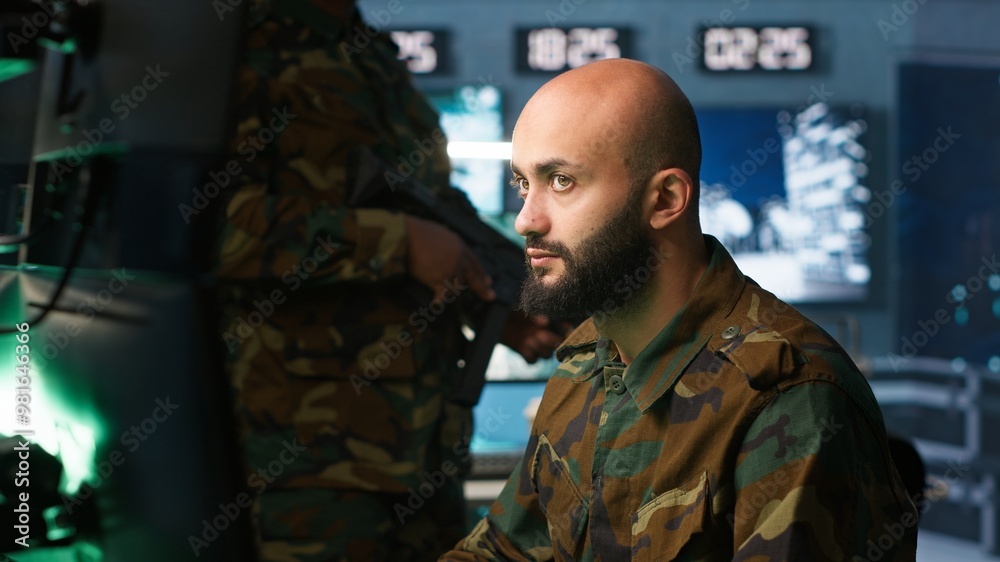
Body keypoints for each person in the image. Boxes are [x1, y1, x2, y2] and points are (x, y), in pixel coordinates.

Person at [440, 58, 918, 561]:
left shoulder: (790, 400)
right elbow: (501, 550)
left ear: (666, 199)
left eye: (561, 181)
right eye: (523, 183)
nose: (525, 220)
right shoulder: (583, 369)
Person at [211, 1, 563, 560]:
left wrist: (494, 302)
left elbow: (434, 213)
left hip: (427, 444)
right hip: (314, 456)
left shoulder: (370, 55)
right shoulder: (239, 45)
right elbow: (208, 228)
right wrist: (392, 242)